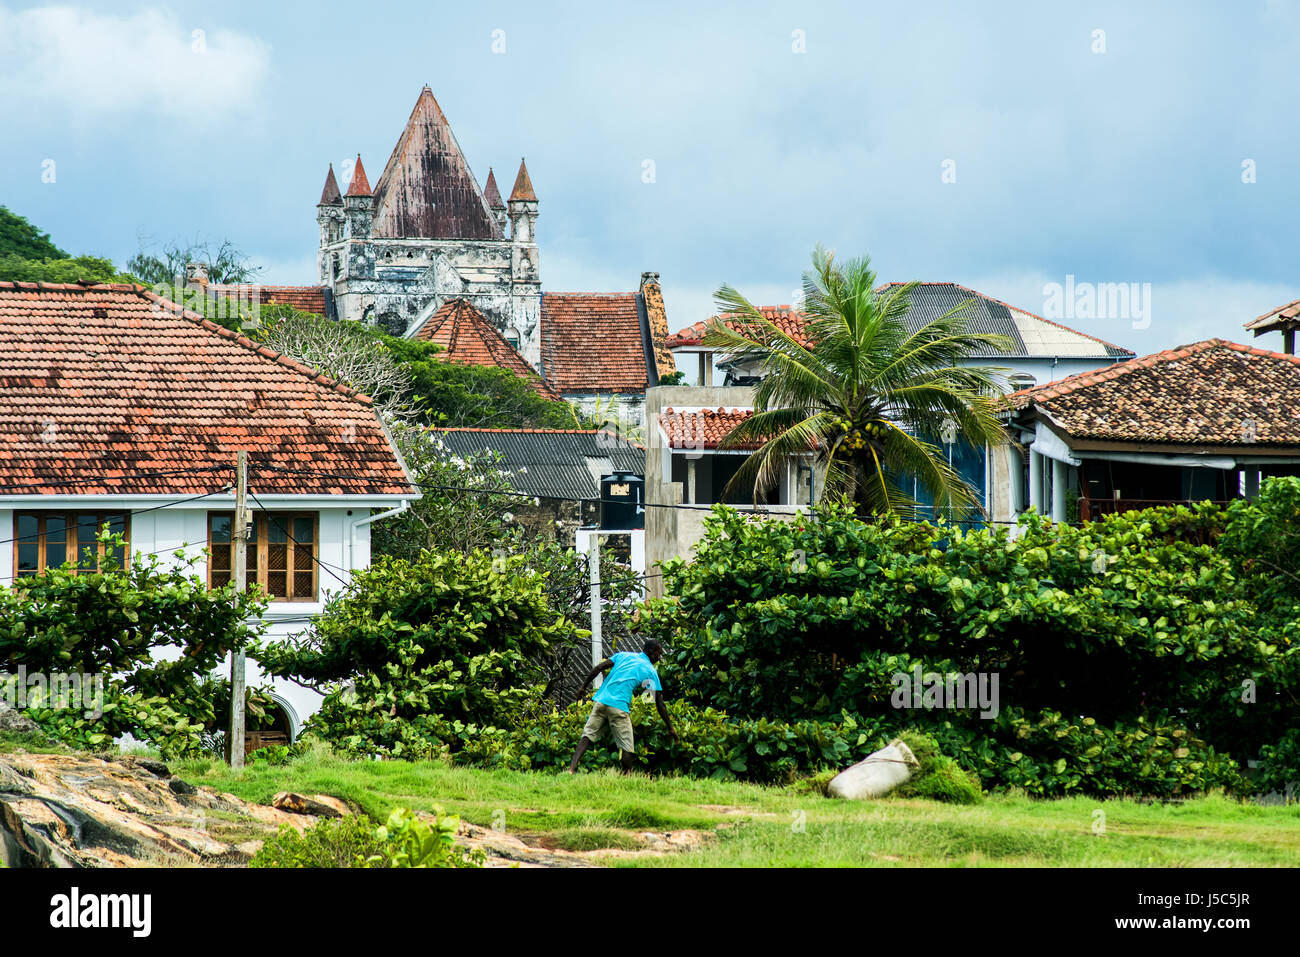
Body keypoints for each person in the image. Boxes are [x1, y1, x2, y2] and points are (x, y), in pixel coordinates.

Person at [569, 639, 677, 774]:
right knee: (627, 745)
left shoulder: (623, 655)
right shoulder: (650, 671)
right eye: (658, 654)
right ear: (650, 652)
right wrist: (670, 728)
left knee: (588, 735)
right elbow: (659, 703)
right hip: (618, 706)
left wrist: (583, 687)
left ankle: (571, 769)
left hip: (601, 701)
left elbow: (599, 668)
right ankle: (627, 776)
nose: (659, 657)